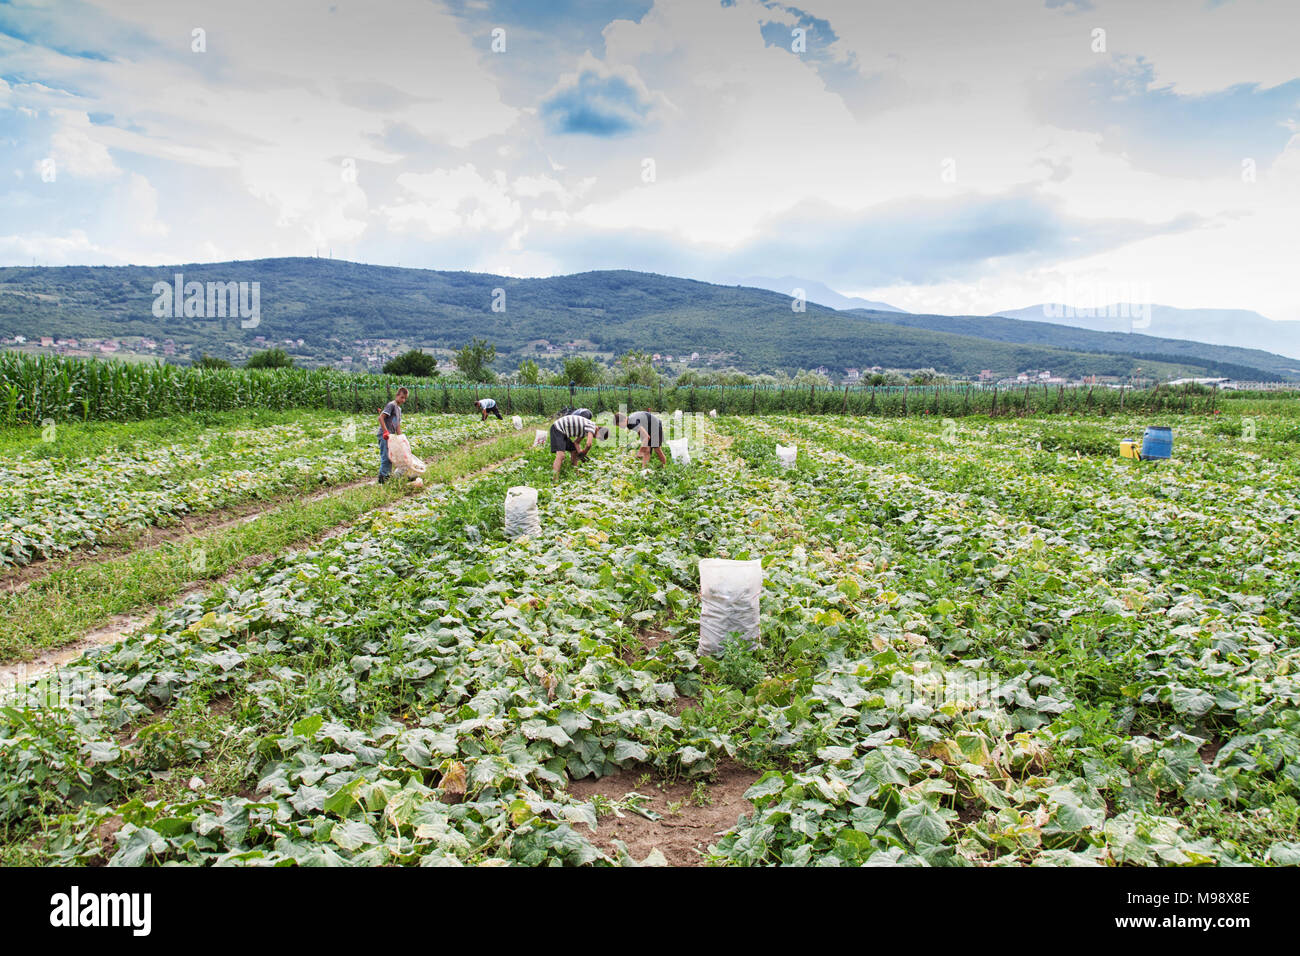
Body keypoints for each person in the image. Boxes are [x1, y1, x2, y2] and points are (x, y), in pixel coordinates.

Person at [550, 412, 608, 479]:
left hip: (563, 433)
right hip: (558, 428)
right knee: (561, 455)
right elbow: (589, 444)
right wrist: (584, 453)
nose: (596, 438)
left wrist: (580, 453)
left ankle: (576, 473)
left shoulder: (586, 429)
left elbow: (576, 443)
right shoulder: (592, 427)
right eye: (599, 437)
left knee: (574, 450)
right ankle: (555, 480)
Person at [377, 387, 409, 484]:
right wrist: (385, 432)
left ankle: (387, 476)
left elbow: (397, 425)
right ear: (397, 395)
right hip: (384, 435)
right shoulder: (391, 405)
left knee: (391, 457)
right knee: (386, 457)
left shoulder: (399, 409)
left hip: (391, 436)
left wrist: (401, 438)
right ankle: (382, 479)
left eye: (405, 398)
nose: (403, 400)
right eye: (402, 397)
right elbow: (381, 418)